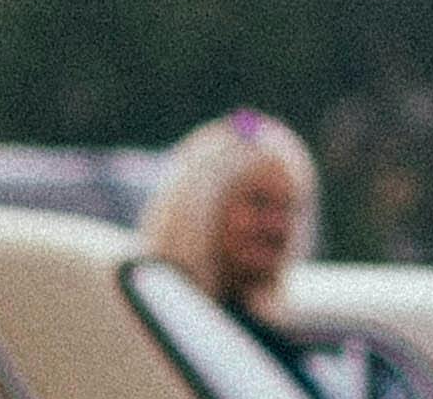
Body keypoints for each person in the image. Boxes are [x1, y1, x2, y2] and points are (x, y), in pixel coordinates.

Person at [135, 109, 325, 357]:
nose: (276, 226)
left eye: (288, 208)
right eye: (258, 202)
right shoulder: (161, 330)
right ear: (201, 208)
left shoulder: (264, 337)